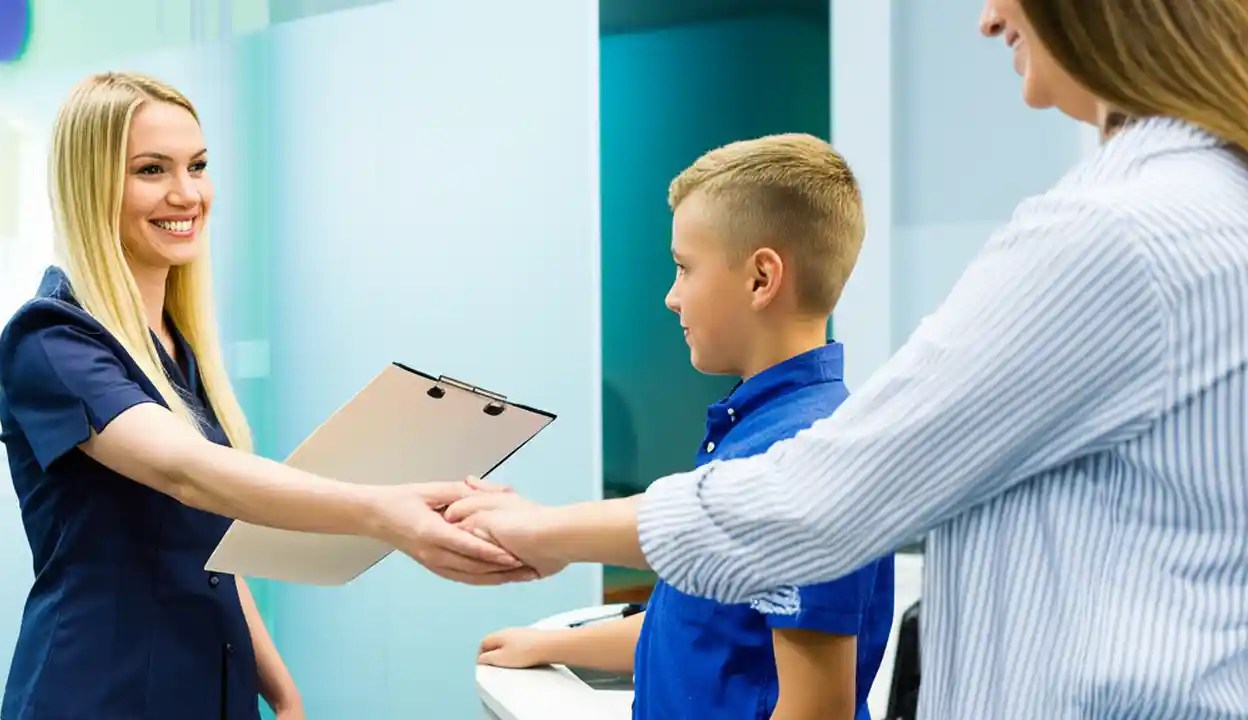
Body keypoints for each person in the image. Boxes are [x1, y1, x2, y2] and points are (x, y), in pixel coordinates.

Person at [447, 1, 1248, 718]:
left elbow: (814, 505)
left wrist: (543, 532)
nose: (986, 17)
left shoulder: (1118, 236)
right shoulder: (1210, 208)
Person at [0, 72, 530, 720]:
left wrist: (281, 689)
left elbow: (210, 547)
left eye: (198, 165)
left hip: (209, 684)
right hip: (102, 690)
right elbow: (188, 474)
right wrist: (385, 510)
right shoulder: (51, 340)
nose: (186, 193)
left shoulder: (175, 350)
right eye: (152, 169)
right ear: (91, 182)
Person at [469, 134, 893, 720]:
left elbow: (816, 711)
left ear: (760, 278)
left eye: (683, 268)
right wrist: (551, 645)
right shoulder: (753, 428)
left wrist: (543, 532)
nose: (671, 297)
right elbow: (701, 624)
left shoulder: (807, 455)